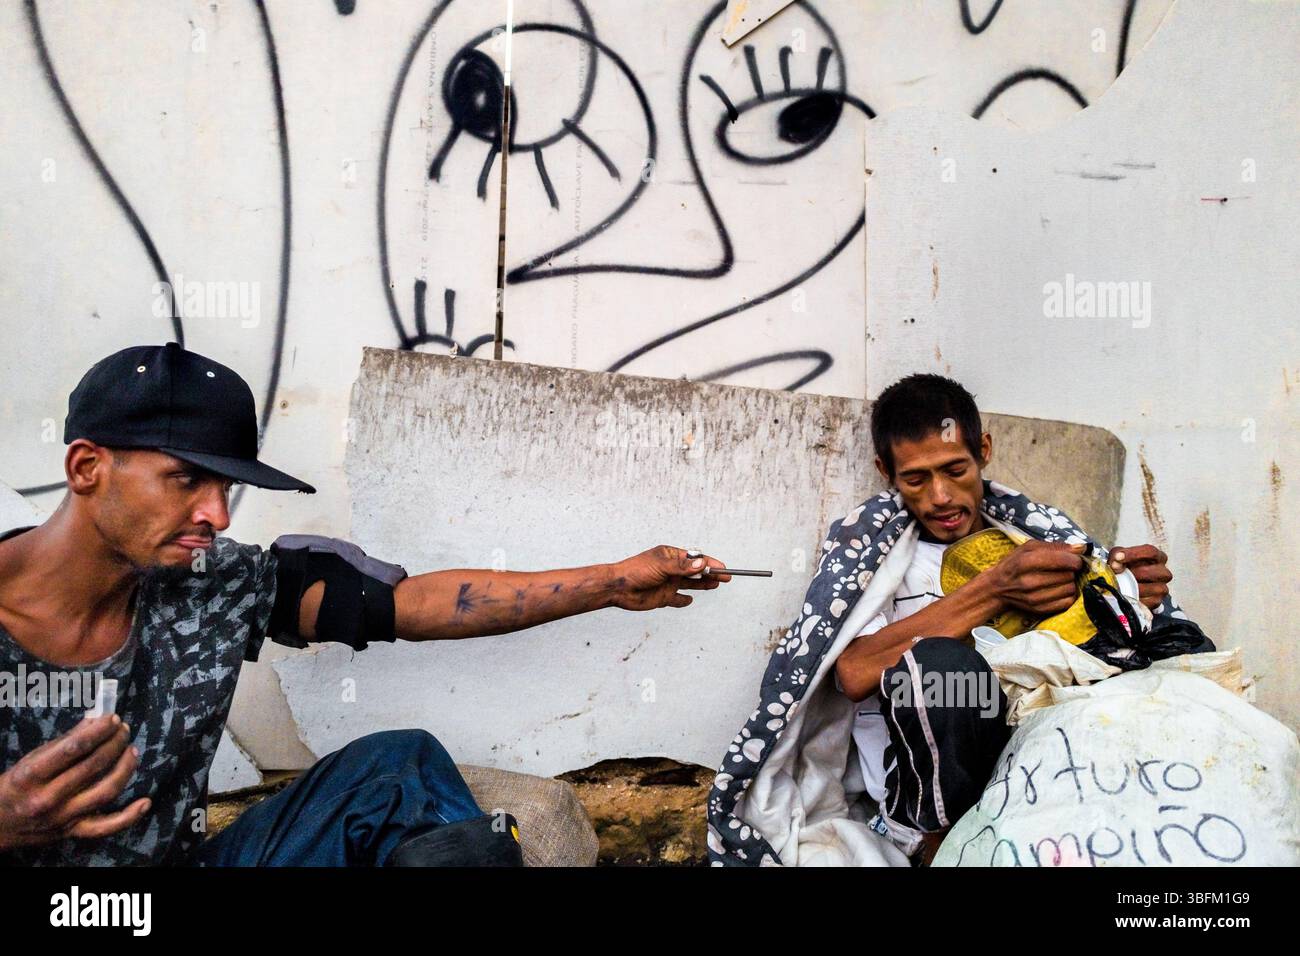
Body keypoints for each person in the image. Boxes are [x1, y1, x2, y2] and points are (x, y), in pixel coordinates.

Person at [0, 342, 732, 866]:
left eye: (226, 488)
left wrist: (612, 581)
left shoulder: (213, 582)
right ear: (87, 467)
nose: (218, 515)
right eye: (186, 479)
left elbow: (411, 605)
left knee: (396, 767)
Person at [831, 374, 1176, 862]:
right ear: (885, 470)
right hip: (927, 797)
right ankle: (942, 849)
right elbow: (854, 672)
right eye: (915, 479)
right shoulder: (871, 556)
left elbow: (1088, 648)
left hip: (1033, 771)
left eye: (955, 469)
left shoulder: (1030, 537)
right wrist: (993, 589)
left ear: (984, 451)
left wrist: (1127, 594)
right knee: (940, 668)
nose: (941, 496)